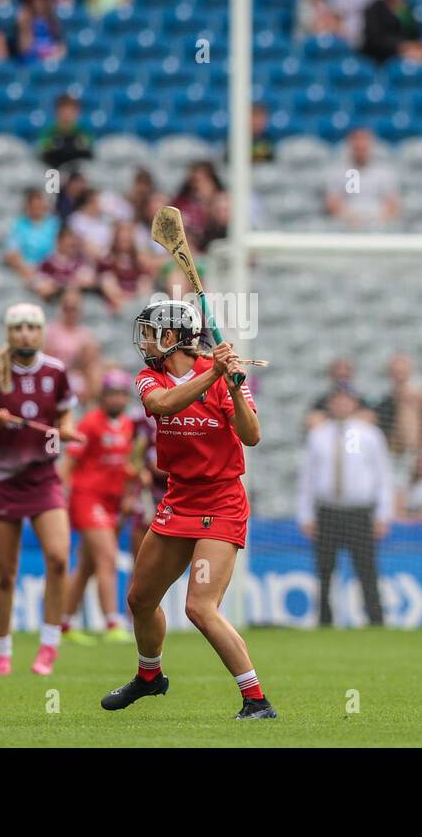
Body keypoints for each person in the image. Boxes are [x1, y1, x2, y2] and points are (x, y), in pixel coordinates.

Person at [101, 299, 275, 720]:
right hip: (178, 499)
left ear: (172, 336)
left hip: (221, 503)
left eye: (150, 332)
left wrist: (231, 383)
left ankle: (256, 701)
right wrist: (214, 372)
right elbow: (163, 405)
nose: (143, 340)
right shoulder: (149, 378)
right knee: (140, 598)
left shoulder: (226, 377)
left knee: (199, 606)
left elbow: (251, 436)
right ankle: (149, 677)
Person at [0, 303, 81, 676]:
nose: (25, 334)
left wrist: (62, 429)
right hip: (3, 479)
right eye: (18, 328)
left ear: (41, 331)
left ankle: (49, 646)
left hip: (43, 476)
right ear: (9, 333)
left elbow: (64, 411)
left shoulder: (56, 371)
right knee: (4, 572)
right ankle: (1, 652)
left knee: (59, 557)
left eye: (32, 327)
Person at [297, 386, 391, 627]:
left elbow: (383, 476)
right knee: (325, 570)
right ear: (330, 404)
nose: (341, 405)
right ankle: (324, 620)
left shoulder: (369, 435)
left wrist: (383, 514)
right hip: (327, 510)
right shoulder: (318, 435)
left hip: (359, 512)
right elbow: (307, 477)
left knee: (366, 569)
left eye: (346, 401)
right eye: (336, 401)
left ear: (354, 404)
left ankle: (375, 620)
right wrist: (306, 514)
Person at [59, 370, 138, 645]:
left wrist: (132, 483)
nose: (116, 399)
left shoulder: (128, 425)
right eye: (111, 394)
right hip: (87, 499)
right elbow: (68, 466)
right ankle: (112, 622)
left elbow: (121, 464)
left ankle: (64, 624)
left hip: (111, 502)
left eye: (120, 394)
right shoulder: (90, 423)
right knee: (108, 558)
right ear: (102, 397)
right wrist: (62, 499)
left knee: (86, 567)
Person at [323, 128, 401, 228]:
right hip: (346, 223)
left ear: (371, 146)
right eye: (357, 147)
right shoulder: (338, 172)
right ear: (350, 146)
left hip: (379, 223)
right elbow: (332, 203)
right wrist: (350, 218)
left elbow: (393, 204)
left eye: (364, 147)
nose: (360, 150)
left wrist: (378, 220)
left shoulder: (384, 172)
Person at [373, 354, 422, 457]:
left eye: (402, 371)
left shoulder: (420, 397)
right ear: (390, 374)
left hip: (417, 443)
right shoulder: (382, 400)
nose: (399, 375)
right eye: (396, 372)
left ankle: (412, 452)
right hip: (390, 443)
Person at [37, 93, 94, 170]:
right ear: (57, 112)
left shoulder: (83, 129)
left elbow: (90, 144)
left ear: (77, 113)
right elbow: (43, 145)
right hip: (53, 167)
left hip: (78, 168)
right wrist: (57, 143)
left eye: (70, 111)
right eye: (63, 111)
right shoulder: (50, 130)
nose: (67, 115)